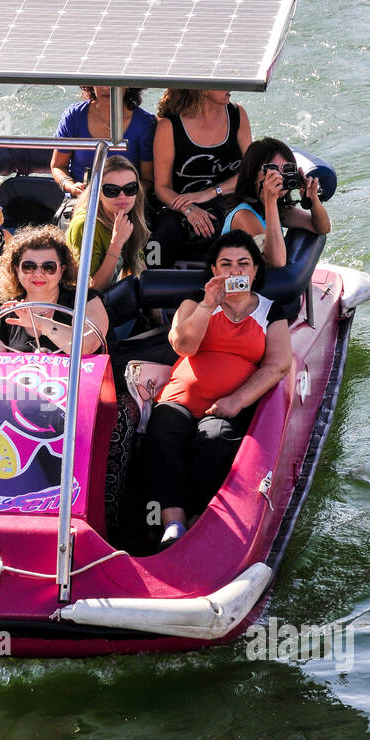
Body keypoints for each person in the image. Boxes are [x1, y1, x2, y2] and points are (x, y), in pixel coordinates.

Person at [141, 233, 291, 548]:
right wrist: (208, 305)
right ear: (214, 270)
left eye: (243, 264)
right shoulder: (192, 305)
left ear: (254, 271)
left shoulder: (270, 312)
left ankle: (199, 520)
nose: (235, 272)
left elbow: (278, 364)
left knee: (216, 439)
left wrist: (237, 400)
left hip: (228, 404)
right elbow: (184, 345)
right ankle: (173, 524)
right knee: (164, 431)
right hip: (179, 399)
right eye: (226, 265)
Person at [151, 88, 252, 265]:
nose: (232, 87)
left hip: (227, 201)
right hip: (182, 207)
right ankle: (155, 283)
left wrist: (210, 193)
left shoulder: (237, 114)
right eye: (223, 81)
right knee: (164, 230)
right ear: (203, 88)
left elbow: (249, 172)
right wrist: (189, 209)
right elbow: (162, 188)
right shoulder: (169, 125)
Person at [0, 224, 109, 355]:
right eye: (29, 266)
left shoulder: (85, 301)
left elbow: (86, 346)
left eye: (48, 267)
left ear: (61, 270)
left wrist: (40, 323)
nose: (38, 274)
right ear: (17, 269)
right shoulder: (4, 315)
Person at [222, 137, 331, 267]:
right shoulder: (243, 215)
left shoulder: (278, 209)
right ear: (253, 174)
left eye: (287, 168)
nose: (280, 176)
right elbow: (276, 261)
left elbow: (322, 227)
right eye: (272, 170)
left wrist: (313, 198)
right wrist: (270, 201)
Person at [50, 85, 156, 202]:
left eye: (115, 83)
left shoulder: (145, 123)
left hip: (126, 202)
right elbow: (58, 166)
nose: (106, 88)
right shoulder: (74, 116)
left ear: (128, 85)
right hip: (81, 201)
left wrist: (122, 194)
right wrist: (71, 186)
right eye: (100, 81)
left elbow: (148, 179)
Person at [65, 154, 149, 292]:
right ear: (97, 193)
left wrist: (156, 312)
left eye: (130, 189)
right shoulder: (85, 226)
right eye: (112, 190)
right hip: (91, 309)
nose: (122, 196)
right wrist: (116, 243)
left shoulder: (129, 218)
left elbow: (139, 268)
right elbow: (88, 292)